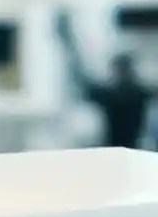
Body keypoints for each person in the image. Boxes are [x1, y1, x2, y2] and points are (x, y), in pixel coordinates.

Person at [56, 15, 155, 149]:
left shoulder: (114, 95)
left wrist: (68, 41)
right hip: (130, 149)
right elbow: (81, 78)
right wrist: (68, 42)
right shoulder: (138, 94)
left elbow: (81, 78)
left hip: (117, 149)